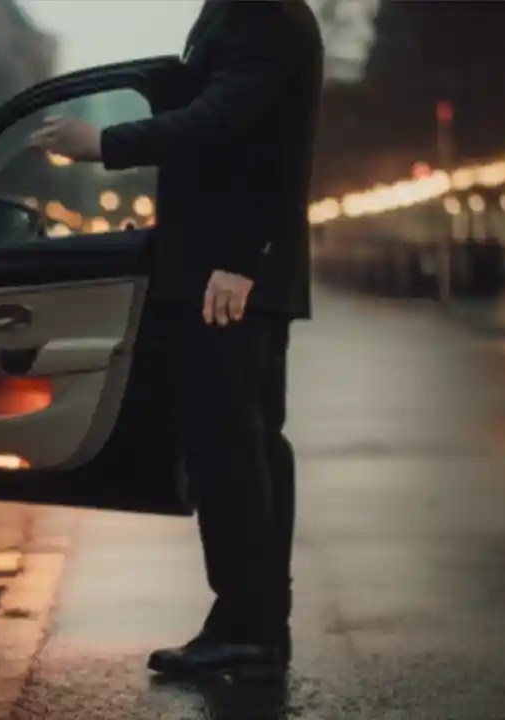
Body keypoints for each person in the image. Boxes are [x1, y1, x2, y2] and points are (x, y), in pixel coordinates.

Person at [30, 0, 322, 678]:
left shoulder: (261, 14)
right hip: (232, 268)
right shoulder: (246, 11)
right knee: (246, 445)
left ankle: (249, 629)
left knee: (230, 451)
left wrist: (103, 142)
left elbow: (237, 131)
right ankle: (250, 621)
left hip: (228, 272)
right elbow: (226, 116)